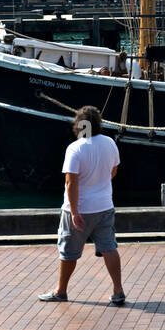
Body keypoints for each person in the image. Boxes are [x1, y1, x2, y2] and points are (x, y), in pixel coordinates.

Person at [38, 106, 125, 305]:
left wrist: (75, 211)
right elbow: (113, 172)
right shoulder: (110, 143)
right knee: (109, 247)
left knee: (69, 252)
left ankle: (61, 291)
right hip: (104, 206)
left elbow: (71, 182)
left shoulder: (75, 148)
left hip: (79, 210)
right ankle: (118, 290)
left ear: (79, 125)